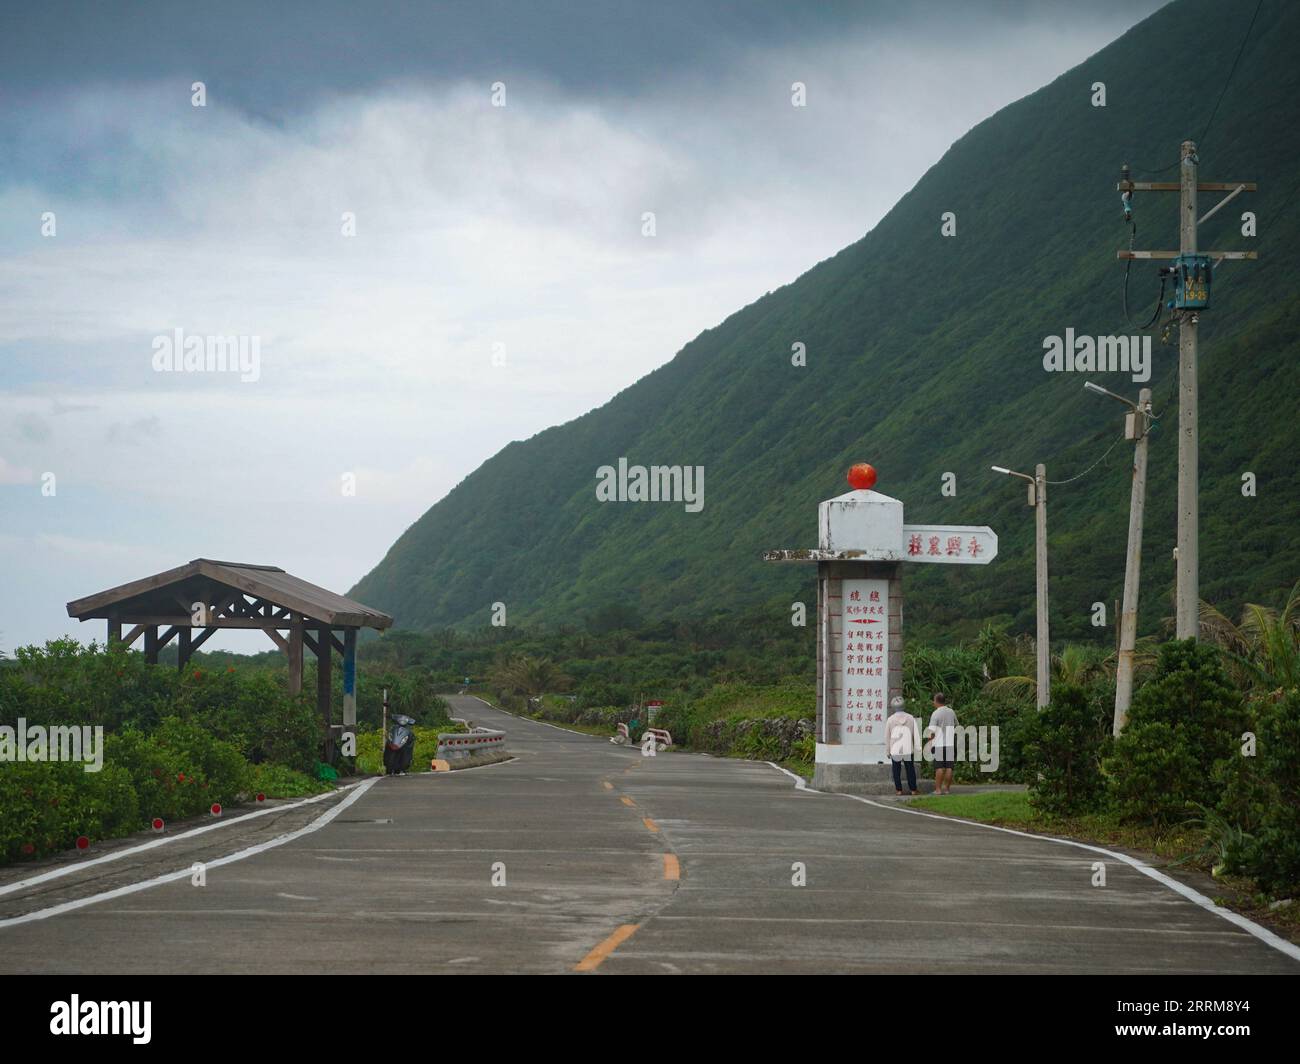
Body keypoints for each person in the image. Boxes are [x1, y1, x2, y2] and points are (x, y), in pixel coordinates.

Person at [885, 696, 919, 795]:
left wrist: (887, 751)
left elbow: (887, 736)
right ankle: (913, 789)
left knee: (896, 769)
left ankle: (899, 790)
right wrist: (917, 748)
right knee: (910, 769)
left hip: (895, 749)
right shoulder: (910, 718)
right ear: (904, 706)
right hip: (908, 748)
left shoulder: (890, 719)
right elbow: (916, 734)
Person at [928, 693, 957, 795]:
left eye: (934, 700)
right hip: (950, 743)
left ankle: (938, 790)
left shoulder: (935, 714)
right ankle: (947, 790)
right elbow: (957, 725)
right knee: (949, 767)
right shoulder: (951, 711)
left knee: (939, 767)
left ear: (936, 701)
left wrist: (930, 742)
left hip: (939, 744)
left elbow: (931, 731)